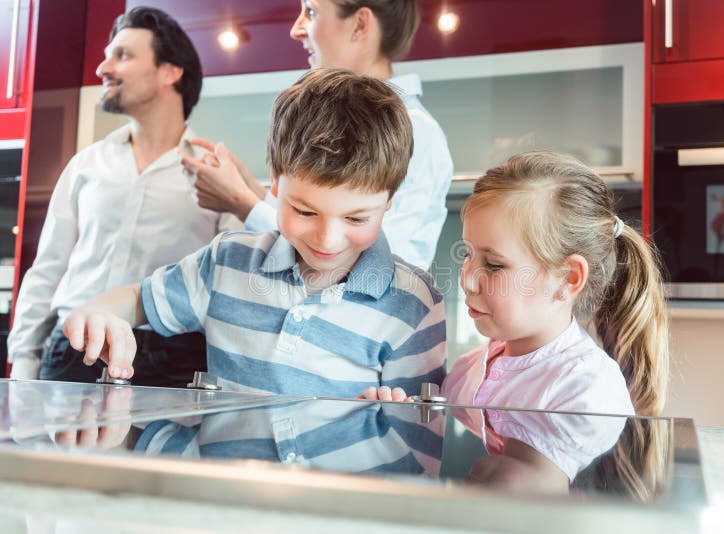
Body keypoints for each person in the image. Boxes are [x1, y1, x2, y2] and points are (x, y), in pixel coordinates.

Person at [60, 68, 447, 397]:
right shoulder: (226, 261)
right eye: (304, 210)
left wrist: (392, 412)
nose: (327, 239)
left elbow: (417, 441)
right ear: (275, 182)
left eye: (356, 219)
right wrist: (100, 312)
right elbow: (136, 300)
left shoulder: (416, 304)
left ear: (390, 200)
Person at [362, 150, 670, 478]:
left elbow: (520, 489)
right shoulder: (475, 366)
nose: (466, 278)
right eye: (468, 254)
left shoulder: (585, 391)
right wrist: (403, 414)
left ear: (568, 279)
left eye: (494, 265)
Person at [7, 7, 241, 385]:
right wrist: (23, 361)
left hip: (174, 363)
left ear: (170, 72)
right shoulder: (86, 164)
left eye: (123, 55)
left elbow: (229, 285)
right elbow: (48, 270)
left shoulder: (214, 173)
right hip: (70, 354)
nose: (102, 68)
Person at [181, 0, 453, 270]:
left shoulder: (419, 132)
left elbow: (372, 262)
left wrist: (242, 203)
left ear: (359, 24)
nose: (296, 29)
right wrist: (251, 188)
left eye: (311, 12)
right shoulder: (334, 114)